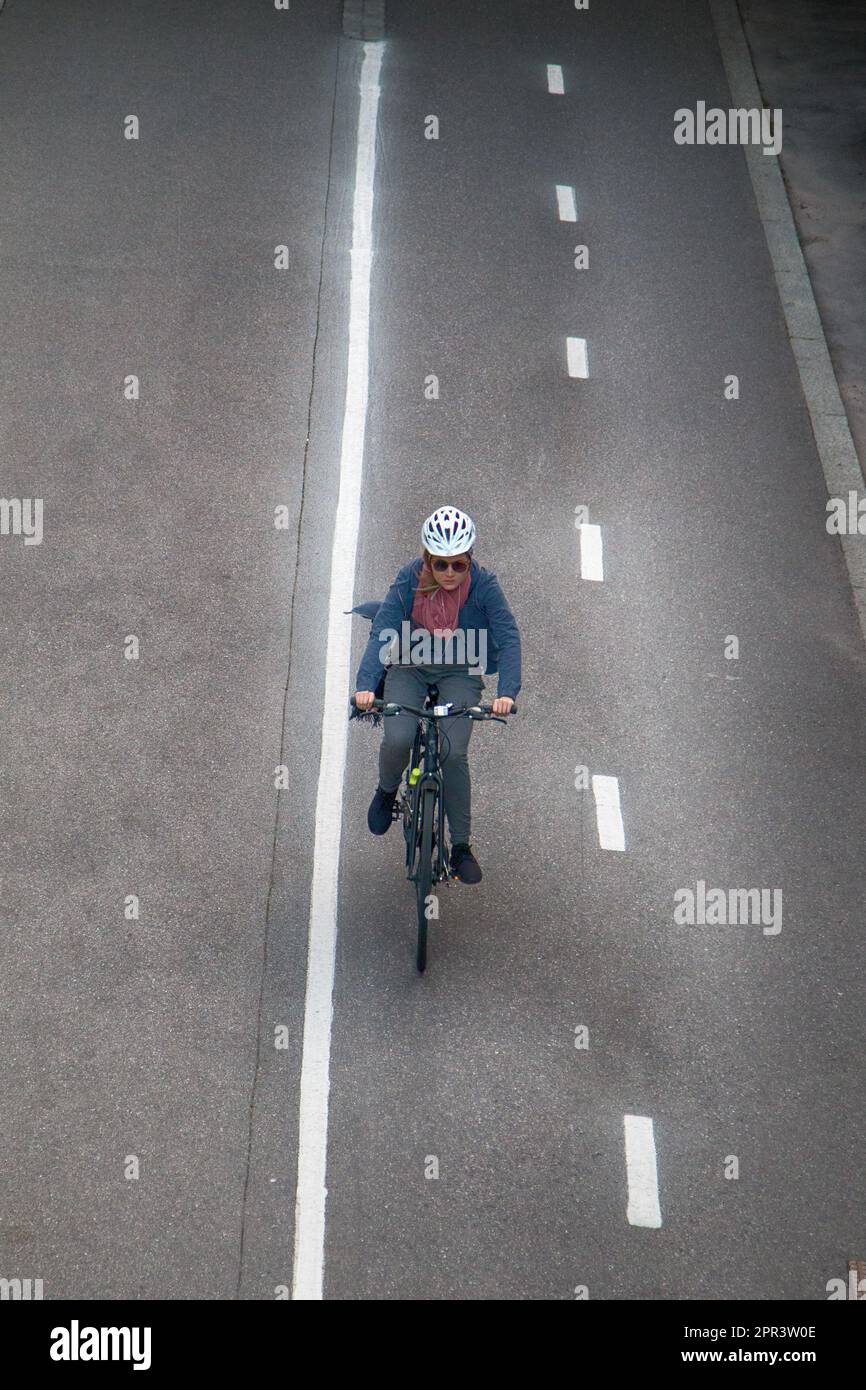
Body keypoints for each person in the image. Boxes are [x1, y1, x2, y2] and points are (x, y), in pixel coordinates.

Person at [353, 506, 521, 883]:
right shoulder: (407, 580)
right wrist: (365, 687)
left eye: (458, 565)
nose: (449, 573)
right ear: (427, 558)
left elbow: (509, 637)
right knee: (398, 735)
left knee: (453, 751)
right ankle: (386, 791)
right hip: (409, 665)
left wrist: (506, 693)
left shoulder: (485, 586)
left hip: (460, 671)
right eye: (441, 564)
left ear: (470, 561)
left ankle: (461, 846)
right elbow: (382, 632)